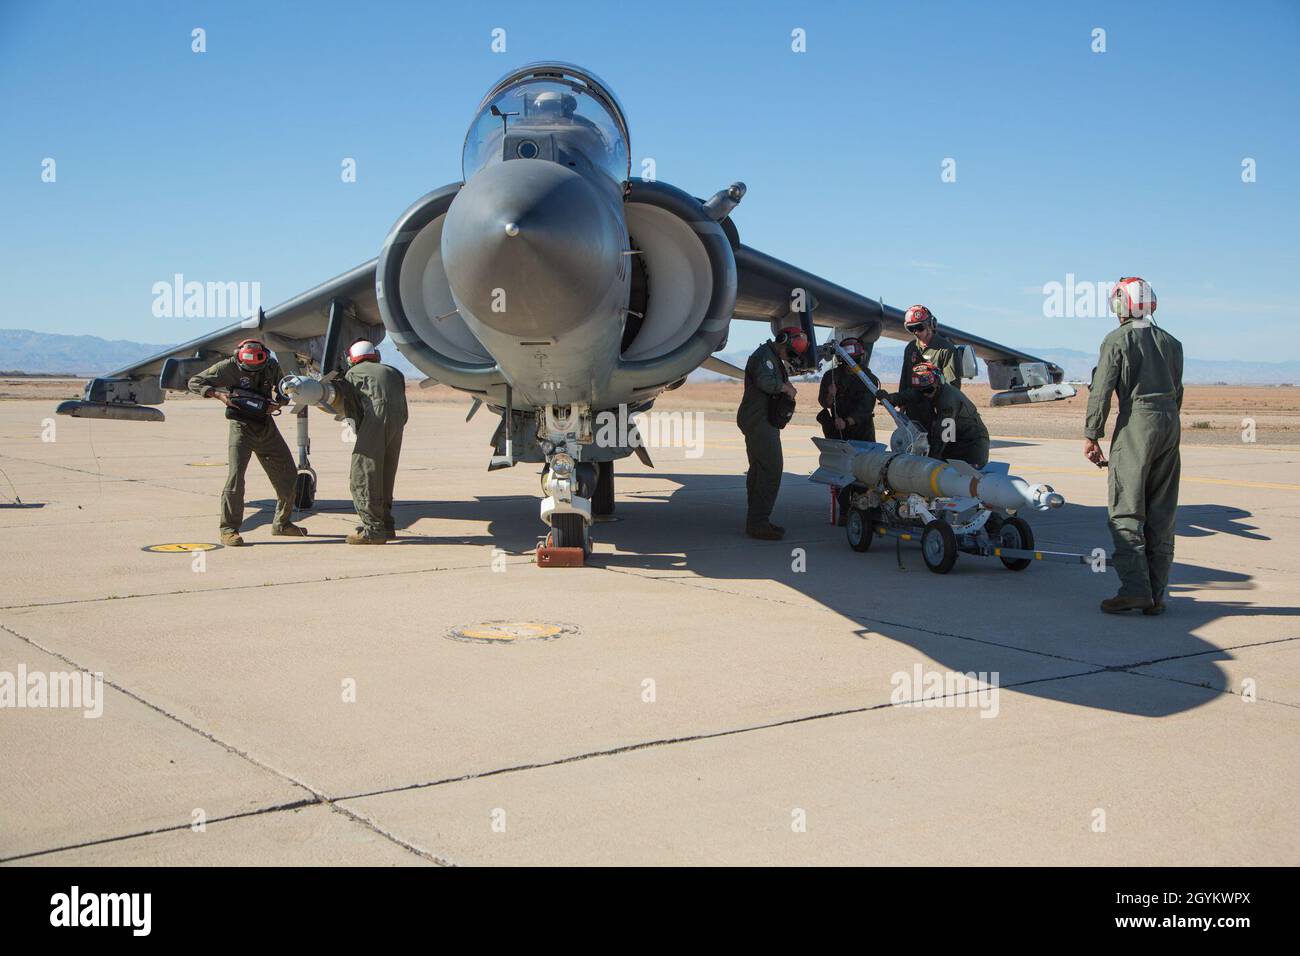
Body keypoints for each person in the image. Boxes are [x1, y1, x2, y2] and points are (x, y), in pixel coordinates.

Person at [1084, 277, 1183, 616]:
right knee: (1161, 513)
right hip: (1170, 424)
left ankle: (1134, 590)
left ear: (1121, 305)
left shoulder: (1117, 340)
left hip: (1137, 423)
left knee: (1126, 510)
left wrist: (1092, 434)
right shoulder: (1172, 343)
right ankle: (1156, 595)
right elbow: (1178, 390)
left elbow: (1101, 390)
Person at [188, 339, 306, 547]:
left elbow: (284, 390)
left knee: (288, 473)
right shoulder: (228, 366)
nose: (253, 370)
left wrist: (277, 402)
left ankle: (282, 523)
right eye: (248, 367)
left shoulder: (271, 366)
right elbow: (195, 382)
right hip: (241, 428)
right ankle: (229, 530)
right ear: (240, 358)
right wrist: (219, 395)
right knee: (236, 478)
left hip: (266, 426)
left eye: (257, 366)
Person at [331, 340, 410, 545]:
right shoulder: (394, 371)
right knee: (386, 471)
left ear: (352, 359)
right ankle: (386, 524)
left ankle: (372, 530)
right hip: (398, 420)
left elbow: (353, 410)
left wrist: (361, 431)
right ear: (375, 355)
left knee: (363, 472)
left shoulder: (353, 374)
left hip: (376, 419)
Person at [736, 326, 805, 540]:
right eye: (789, 352)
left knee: (759, 470)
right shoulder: (764, 357)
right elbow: (765, 382)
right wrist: (785, 388)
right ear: (783, 341)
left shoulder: (771, 357)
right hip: (759, 420)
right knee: (772, 468)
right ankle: (758, 523)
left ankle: (757, 521)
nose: (788, 357)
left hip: (761, 419)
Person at [894, 362, 990, 467]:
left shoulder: (948, 400)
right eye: (922, 391)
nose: (926, 394)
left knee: (965, 479)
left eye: (928, 390)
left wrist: (932, 459)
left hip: (971, 445)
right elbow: (911, 395)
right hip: (953, 443)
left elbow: (943, 435)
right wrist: (891, 398)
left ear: (938, 382)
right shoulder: (929, 390)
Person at [817, 337, 878, 442]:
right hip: (838, 430)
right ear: (840, 359)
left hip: (862, 432)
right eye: (846, 361)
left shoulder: (868, 379)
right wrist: (830, 395)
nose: (850, 365)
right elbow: (824, 403)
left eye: (855, 360)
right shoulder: (830, 376)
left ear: (861, 358)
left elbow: (866, 408)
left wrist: (847, 422)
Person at [898, 304, 962, 391]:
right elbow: (904, 381)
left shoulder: (945, 350)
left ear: (931, 325)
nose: (916, 332)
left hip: (937, 401)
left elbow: (952, 387)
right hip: (913, 400)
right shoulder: (911, 348)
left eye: (919, 327)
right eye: (911, 328)